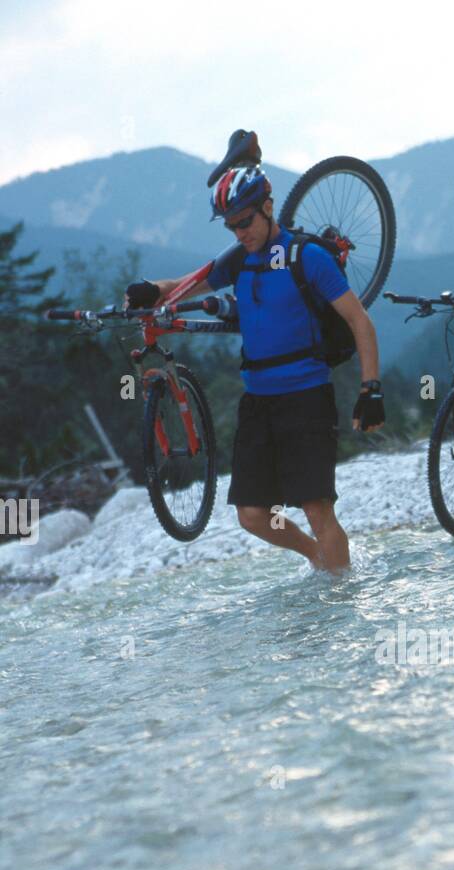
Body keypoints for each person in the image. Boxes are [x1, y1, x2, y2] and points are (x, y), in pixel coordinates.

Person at [125, 164, 385, 571]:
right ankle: (320, 558)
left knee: (318, 511)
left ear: (267, 207)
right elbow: (184, 284)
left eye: (244, 222)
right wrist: (150, 290)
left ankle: (342, 595)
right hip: (259, 400)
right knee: (252, 514)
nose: (239, 232)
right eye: (231, 226)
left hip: (306, 397)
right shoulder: (238, 261)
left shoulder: (308, 256)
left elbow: (359, 321)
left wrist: (372, 389)